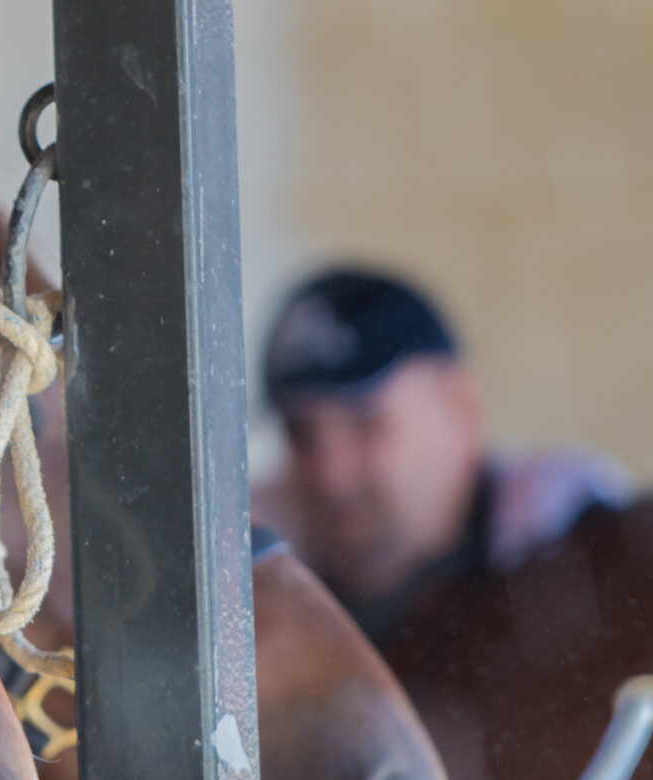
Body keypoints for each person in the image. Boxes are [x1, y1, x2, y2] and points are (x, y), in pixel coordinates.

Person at [253, 267, 630, 639]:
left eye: (364, 422)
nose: (332, 476)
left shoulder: (576, 542)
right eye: (299, 434)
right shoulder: (250, 566)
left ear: (460, 407)